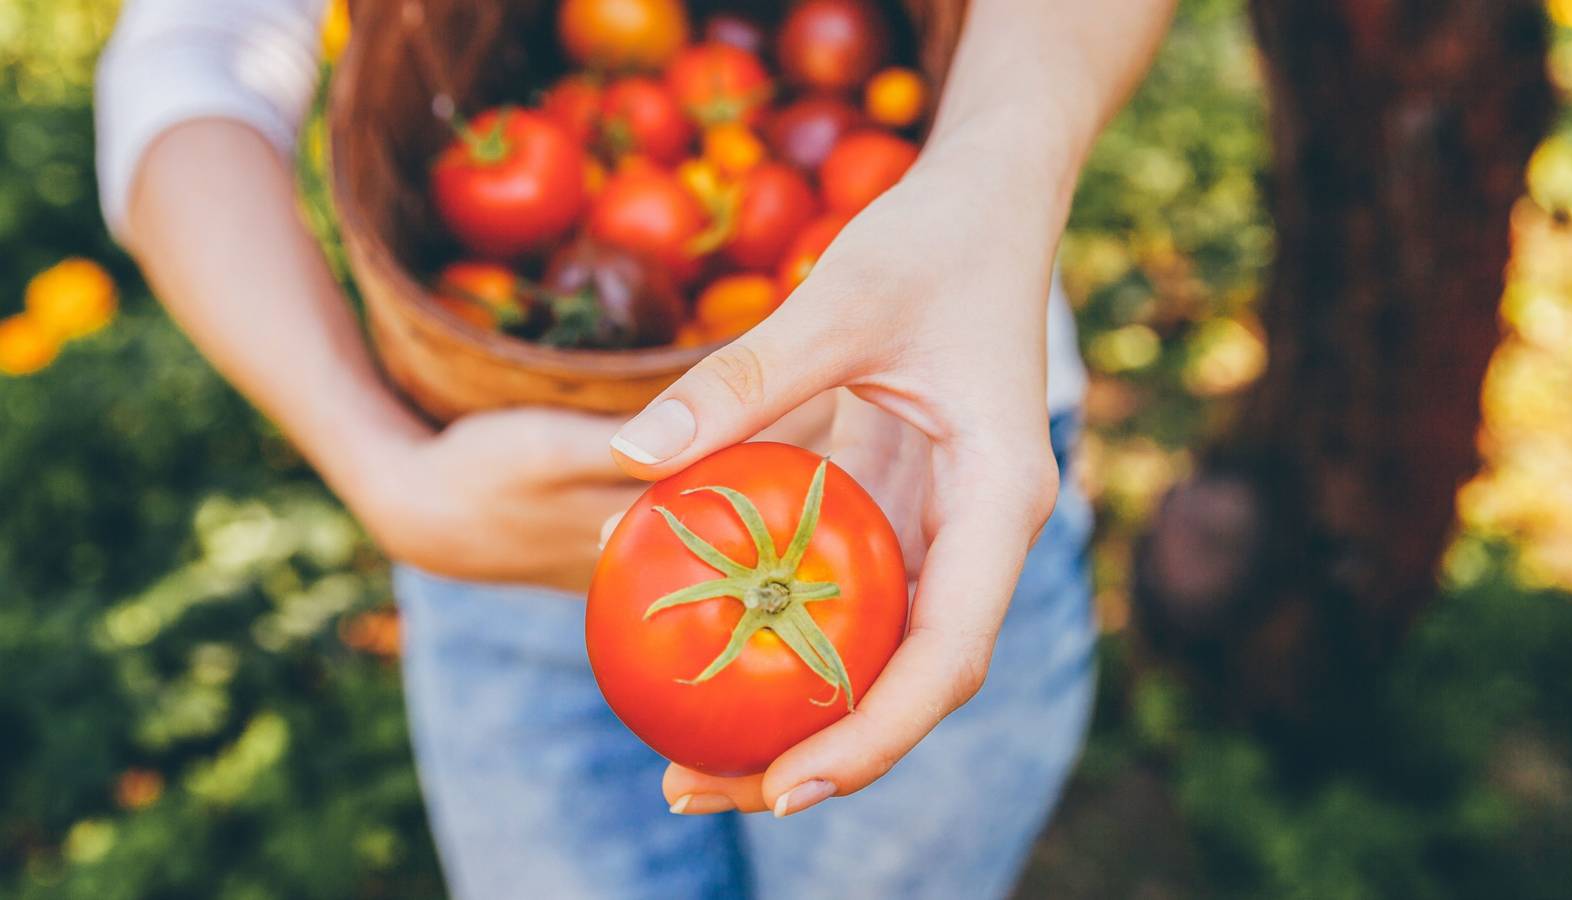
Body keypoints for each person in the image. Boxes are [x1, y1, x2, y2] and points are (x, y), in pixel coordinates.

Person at [96, 0, 1174, 896]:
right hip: (499, 538)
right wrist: (380, 470)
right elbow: (188, 57)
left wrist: (998, 173)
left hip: (929, 492)